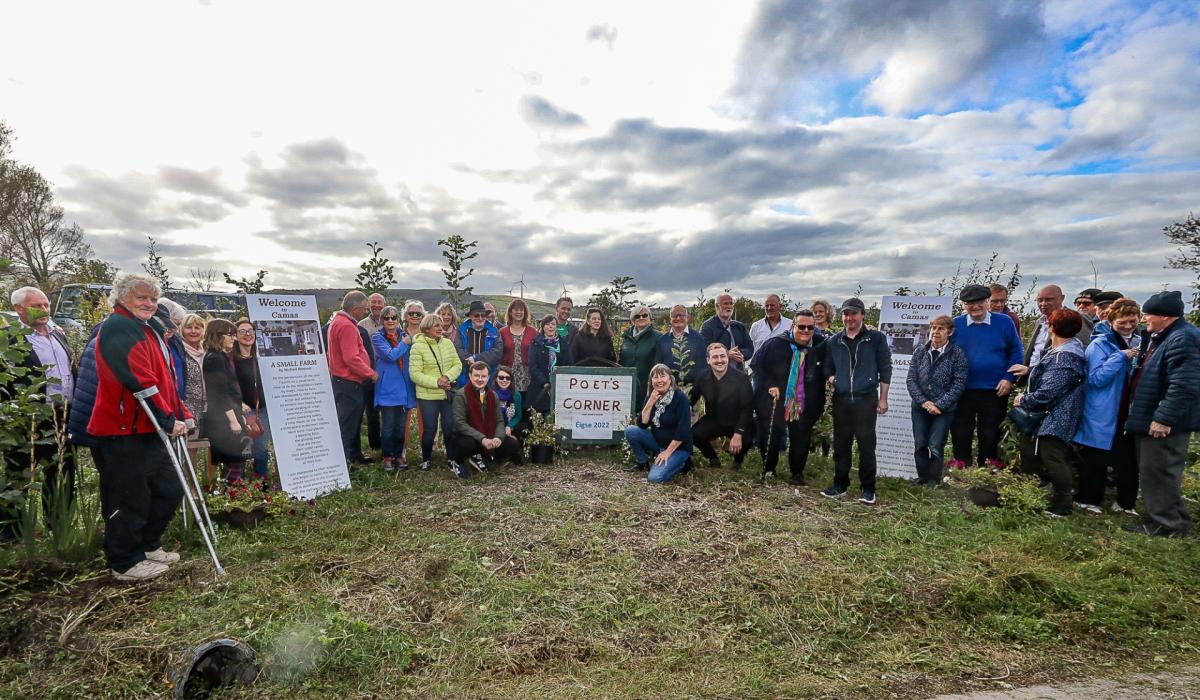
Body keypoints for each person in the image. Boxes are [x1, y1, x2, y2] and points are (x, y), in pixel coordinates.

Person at [88, 272, 192, 581]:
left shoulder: (146, 328)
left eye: (153, 298)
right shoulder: (119, 327)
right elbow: (139, 379)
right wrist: (167, 418)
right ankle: (125, 561)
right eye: (141, 297)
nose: (148, 303)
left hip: (147, 428)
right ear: (122, 297)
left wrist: (180, 412)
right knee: (128, 496)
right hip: (123, 429)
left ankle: (147, 544)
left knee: (169, 488)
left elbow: (166, 380)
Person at [1123, 290, 1200, 537]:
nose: (1144, 319)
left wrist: (1163, 418)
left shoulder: (1182, 339)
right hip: (1151, 415)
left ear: (1165, 316)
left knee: (1160, 471)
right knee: (1154, 471)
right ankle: (1171, 519)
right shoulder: (1164, 337)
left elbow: (1185, 384)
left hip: (1165, 422)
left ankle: (1167, 525)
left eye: (1148, 314)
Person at [3, 286, 77, 541]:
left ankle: (59, 526)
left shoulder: (57, 335)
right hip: (28, 416)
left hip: (63, 414)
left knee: (63, 471)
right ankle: (11, 534)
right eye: (37, 306)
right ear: (19, 309)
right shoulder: (10, 339)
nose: (45, 309)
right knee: (19, 472)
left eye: (46, 304)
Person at [1010, 309, 1087, 517]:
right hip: (1054, 413)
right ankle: (1034, 494)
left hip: (1057, 414)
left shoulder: (1064, 357)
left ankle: (1062, 505)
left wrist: (1023, 399)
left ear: (1052, 327)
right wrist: (1030, 371)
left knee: (1053, 457)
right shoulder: (1068, 349)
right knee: (1033, 452)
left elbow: (1048, 392)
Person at [1073, 299, 1142, 515]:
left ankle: (1126, 503)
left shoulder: (1141, 342)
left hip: (1128, 409)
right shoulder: (1099, 345)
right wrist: (1119, 357)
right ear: (1111, 321)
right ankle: (1088, 499)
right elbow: (1095, 379)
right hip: (1102, 409)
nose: (1128, 326)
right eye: (1122, 322)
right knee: (1096, 457)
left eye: (1132, 321)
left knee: (1128, 459)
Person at [821, 297, 891, 505]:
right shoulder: (834, 341)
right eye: (846, 314)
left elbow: (885, 369)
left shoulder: (876, 339)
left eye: (853, 313)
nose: (849, 318)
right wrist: (836, 380)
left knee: (866, 446)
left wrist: (883, 398)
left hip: (866, 399)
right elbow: (827, 367)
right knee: (841, 445)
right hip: (842, 400)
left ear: (862, 315)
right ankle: (840, 485)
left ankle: (868, 488)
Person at [749, 311, 828, 484]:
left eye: (810, 327)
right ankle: (769, 470)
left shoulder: (821, 345)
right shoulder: (775, 344)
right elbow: (757, 366)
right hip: (776, 398)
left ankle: (797, 473)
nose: (806, 331)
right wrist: (770, 384)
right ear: (793, 326)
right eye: (801, 326)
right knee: (772, 434)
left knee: (801, 436)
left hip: (805, 400)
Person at [951, 284, 1023, 467]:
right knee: (960, 430)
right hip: (962, 388)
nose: (975, 306)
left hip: (995, 388)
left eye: (980, 302)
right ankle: (961, 467)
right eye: (969, 303)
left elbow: (1016, 352)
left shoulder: (1004, 322)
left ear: (987, 301)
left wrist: (1009, 378)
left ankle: (988, 467)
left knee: (990, 431)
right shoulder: (956, 324)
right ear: (964, 305)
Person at [905, 315, 968, 486]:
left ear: (950, 332)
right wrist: (924, 402)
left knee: (935, 445)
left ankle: (933, 479)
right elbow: (911, 380)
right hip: (920, 407)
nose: (935, 332)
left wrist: (939, 405)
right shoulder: (920, 351)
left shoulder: (957, 354)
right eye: (933, 328)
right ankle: (922, 477)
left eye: (941, 328)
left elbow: (959, 383)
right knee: (920, 444)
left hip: (943, 410)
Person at [409, 312, 463, 472]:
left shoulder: (448, 343)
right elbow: (415, 374)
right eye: (436, 325)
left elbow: (457, 364)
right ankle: (426, 459)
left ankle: (451, 458)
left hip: (447, 394)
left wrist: (447, 377)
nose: (441, 328)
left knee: (449, 428)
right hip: (428, 396)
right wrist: (436, 382)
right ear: (427, 328)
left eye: (441, 325)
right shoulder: (417, 346)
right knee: (430, 429)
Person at [449, 361, 523, 478]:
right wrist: (482, 438)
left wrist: (498, 437)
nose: (480, 379)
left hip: (488, 435)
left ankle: (480, 456)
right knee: (467, 444)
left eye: (483, 376)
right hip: (468, 436)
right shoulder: (461, 395)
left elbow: (499, 420)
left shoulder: (493, 395)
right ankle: (458, 462)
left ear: (488, 377)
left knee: (512, 444)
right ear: (470, 376)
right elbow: (460, 423)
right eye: (476, 375)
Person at [328, 291, 377, 467]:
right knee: (347, 426)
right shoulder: (346, 326)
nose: (365, 312)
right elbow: (351, 358)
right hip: (349, 383)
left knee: (352, 423)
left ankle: (354, 456)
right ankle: (343, 466)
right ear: (355, 309)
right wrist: (370, 373)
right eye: (364, 309)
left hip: (344, 382)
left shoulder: (338, 321)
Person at [688, 343, 754, 471]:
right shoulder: (702, 377)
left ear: (727, 358)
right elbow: (692, 397)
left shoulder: (741, 378)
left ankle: (738, 460)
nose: (719, 360)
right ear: (708, 360)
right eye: (715, 357)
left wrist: (738, 433)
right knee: (694, 434)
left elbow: (747, 408)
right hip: (714, 419)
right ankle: (712, 458)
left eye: (722, 356)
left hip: (736, 420)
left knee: (747, 438)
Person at [623, 364, 693, 483]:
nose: (659, 380)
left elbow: (683, 430)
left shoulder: (680, 398)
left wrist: (667, 452)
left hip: (678, 448)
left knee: (655, 478)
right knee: (631, 431)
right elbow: (642, 424)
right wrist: (650, 402)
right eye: (655, 377)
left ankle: (683, 464)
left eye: (662, 376)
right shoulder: (653, 396)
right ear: (651, 381)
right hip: (658, 442)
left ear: (670, 379)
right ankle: (642, 462)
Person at [202, 319, 251, 483]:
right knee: (236, 458)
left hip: (228, 413)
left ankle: (232, 491)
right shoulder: (214, 358)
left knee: (237, 458)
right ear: (218, 335)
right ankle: (232, 492)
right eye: (230, 334)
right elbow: (219, 393)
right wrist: (233, 420)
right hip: (222, 418)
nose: (234, 338)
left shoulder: (219, 356)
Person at [372, 305, 416, 472]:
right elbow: (390, 356)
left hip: (404, 388)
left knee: (400, 426)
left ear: (398, 319)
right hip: (387, 389)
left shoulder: (405, 335)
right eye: (386, 317)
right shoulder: (378, 338)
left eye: (393, 317)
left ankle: (398, 455)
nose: (390, 320)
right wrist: (405, 344)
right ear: (382, 320)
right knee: (388, 425)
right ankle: (387, 456)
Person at [1023, 284, 1093, 376]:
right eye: (1040, 300)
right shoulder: (1040, 321)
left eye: (1049, 299)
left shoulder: (1074, 318)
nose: (1043, 304)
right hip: (1033, 375)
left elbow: (1086, 349)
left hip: (1058, 375)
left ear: (1062, 298)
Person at [232, 318, 271, 479]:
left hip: (262, 409)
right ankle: (237, 484)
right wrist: (239, 403)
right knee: (242, 449)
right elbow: (226, 386)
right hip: (241, 411)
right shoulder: (231, 360)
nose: (247, 334)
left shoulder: (262, 357)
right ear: (235, 336)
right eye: (242, 331)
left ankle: (260, 482)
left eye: (250, 331)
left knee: (261, 448)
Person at [178, 313, 209, 474]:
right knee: (190, 449)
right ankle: (189, 483)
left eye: (198, 327)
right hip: (189, 406)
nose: (194, 331)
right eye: (189, 327)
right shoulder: (180, 351)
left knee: (208, 446)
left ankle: (208, 483)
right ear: (182, 330)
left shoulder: (207, 350)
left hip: (208, 406)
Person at [359, 292, 387, 454]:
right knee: (372, 411)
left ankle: (389, 442)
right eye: (373, 302)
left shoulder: (390, 321)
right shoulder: (361, 325)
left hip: (388, 373)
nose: (376, 305)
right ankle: (376, 445)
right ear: (368, 305)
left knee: (389, 409)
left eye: (379, 302)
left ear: (384, 305)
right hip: (369, 373)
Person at [619, 304, 663, 407]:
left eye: (644, 315)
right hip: (627, 386)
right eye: (637, 316)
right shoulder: (625, 337)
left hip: (647, 386)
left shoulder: (658, 337)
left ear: (650, 318)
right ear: (633, 320)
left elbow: (660, 364)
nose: (641, 318)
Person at [529, 315, 572, 416]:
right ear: (543, 326)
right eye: (547, 324)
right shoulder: (535, 343)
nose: (551, 327)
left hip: (560, 388)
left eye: (553, 324)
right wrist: (545, 384)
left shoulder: (563, 343)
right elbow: (533, 366)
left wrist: (560, 383)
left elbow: (569, 363)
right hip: (540, 388)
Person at [655, 305, 707, 385]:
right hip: (668, 387)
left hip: (692, 388)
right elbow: (658, 366)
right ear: (670, 319)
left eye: (681, 315)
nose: (678, 318)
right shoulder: (662, 340)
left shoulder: (698, 339)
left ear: (687, 318)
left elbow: (703, 367)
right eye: (674, 316)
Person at [700, 293, 753, 369]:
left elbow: (750, 348)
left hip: (738, 372)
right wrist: (726, 354)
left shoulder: (740, 327)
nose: (729, 306)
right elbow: (703, 350)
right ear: (717, 306)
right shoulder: (708, 326)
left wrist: (740, 353)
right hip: (716, 373)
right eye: (726, 304)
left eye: (731, 304)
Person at [498, 298, 535, 404]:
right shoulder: (502, 332)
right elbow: (499, 353)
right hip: (508, 375)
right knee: (510, 405)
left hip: (527, 375)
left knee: (526, 406)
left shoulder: (532, 331)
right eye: (516, 309)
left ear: (525, 312)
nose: (519, 312)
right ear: (510, 312)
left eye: (521, 310)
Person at [456, 300, 501, 385]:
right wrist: (469, 359)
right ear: (470, 316)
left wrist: (475, 358)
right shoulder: (461, 331)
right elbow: (458, 350)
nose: (480, 318)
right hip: (466, 377)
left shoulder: (494, 331)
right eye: (476, 315)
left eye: (483, 315)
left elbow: (497, 352)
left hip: (488, 379)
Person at [493, 365, 526, 443]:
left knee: (523, 428)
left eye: (508, 378)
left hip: (510, 426)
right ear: (496, 379)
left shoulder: (516, 395)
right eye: (501, 377)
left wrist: (509, 426)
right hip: (495, 428)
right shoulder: (491, 394)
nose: (504, 380)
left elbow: (518, 416)